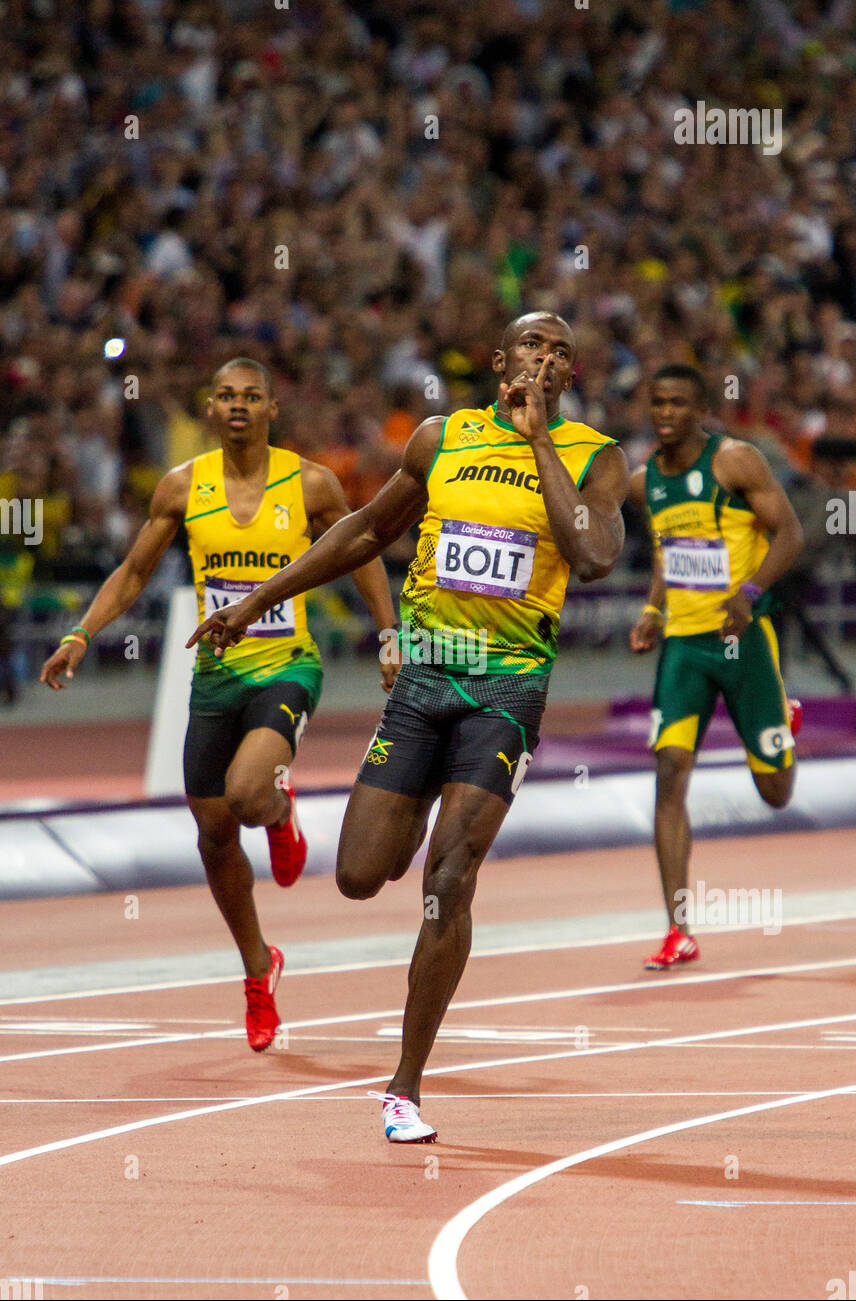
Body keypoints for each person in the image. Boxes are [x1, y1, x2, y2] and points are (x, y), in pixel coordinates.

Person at [188, 313, 629, 1142]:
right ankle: (424, 792)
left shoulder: (593, 456)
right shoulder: (441, 439)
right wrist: (258, 601)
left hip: (507, 689)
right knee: (361, 873)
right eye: (532, 346)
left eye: (562, 351)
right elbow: (364, 530)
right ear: (500, 361)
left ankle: (405, 1084)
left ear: (570, 375)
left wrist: (540, 446)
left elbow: (596, 553)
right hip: (425, 677)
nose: (546, 359)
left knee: (448, 880)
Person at [40, 359, 397, 1051]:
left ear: (271, 408)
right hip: (215, 677)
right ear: (211, 409)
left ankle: (281, 811)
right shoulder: (183, 486)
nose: (238, 406)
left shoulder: (311, 482)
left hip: (287, 666)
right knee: (212, 834)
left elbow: (362, 549)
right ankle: (259, 970)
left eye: (252, 397)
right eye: (226, 396)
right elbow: (136, 570)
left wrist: (390, 633)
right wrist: (83, 632)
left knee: (243, 792)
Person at [629, 365, 804, 970]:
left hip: (743, 639)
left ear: (701, 408)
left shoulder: (736, 462)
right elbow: (667, 551)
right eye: (658, 402)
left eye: (678, 402)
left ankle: (782, 717)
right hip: (684, 646)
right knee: (669, 772)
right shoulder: (645, 478)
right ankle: (679, 929)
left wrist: (749, 593)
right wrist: (653, 609)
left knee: (776, 792)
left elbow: (791, 535)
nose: (666, 413)